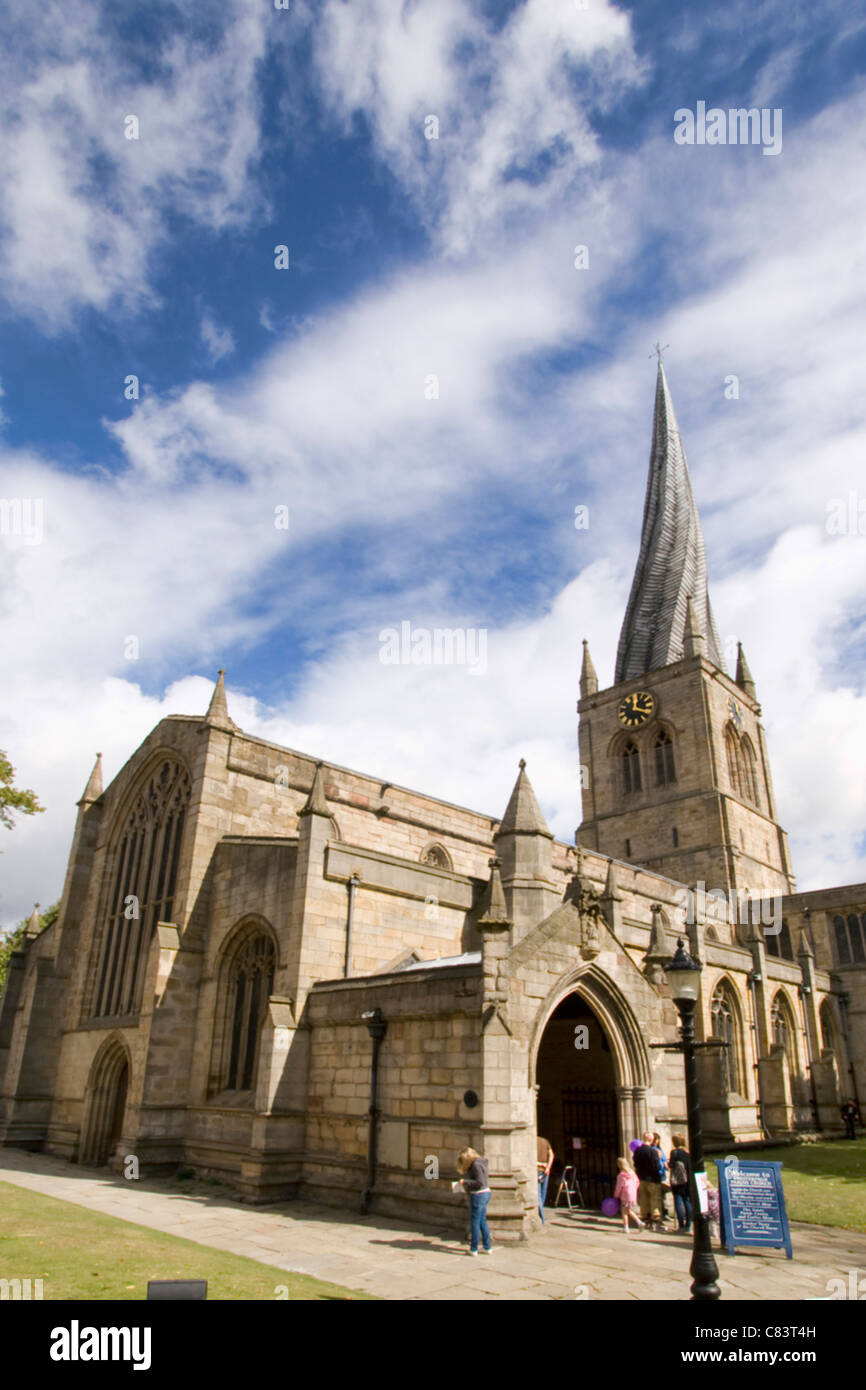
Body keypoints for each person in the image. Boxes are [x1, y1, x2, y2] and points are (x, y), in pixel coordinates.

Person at [457, 1147, 492, 1255]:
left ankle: (474, 1248)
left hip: (478, 1195)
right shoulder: (481, 1162)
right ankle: (487, 1247)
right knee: (482, 1221)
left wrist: (465, 1182)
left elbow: (479, 1183)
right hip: (486, 1193)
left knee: (475, 1222)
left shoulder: (475, 1165)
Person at [633, 1130, 664, 1231]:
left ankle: (646, 1221)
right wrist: (659, 1158)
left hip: (641, 1178)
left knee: (644, 1201)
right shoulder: (653, 1152)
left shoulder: (637, 1151)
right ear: (651, 1139)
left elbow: (635, 1164)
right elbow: (657, 1166)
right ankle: (655, 1222)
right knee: (655, 1200)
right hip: (653, 1179)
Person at [668, 1133, 692, 1233]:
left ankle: (681, 1224)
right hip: (687, 1180)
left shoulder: (674, 1153)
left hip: (677, 1181)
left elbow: (671, 1165)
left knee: (678, 1201)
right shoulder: (688, 1153)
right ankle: (689, 1224)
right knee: (687, 1201)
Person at [613, 1157, 644, 1235]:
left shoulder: (621, 1175)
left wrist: (616, 1195)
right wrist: (634, 1189)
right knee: (628, 1210)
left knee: (624, 1211)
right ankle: (639, 1222)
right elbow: (637, 1182)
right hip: (633, 1193)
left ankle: (626, 1227)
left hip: (625, 1194)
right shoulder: (632, 1173)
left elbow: (619, 1187)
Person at [652, 1132, 671, 1226]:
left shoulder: (659, 1149)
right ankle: (660, 1213)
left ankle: (664, 1211)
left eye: (657, 1139)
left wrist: (666, 1164)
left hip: (662, 1174)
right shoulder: (652, 1150)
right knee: (658, 1195)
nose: (656, 1141)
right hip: (656, 1174)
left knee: (662, 1194)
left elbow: (663, 1160)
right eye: (655, 1139)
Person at [537, 1135, 554, 1223]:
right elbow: (551, 1154)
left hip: (537, 1170)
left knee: (538, 1195)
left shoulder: (532, 1141)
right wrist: (548, 1167)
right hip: (545, 1171)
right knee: (543, 1194)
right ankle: (541, 1212)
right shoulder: (545, 1141)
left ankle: (541, 1218)